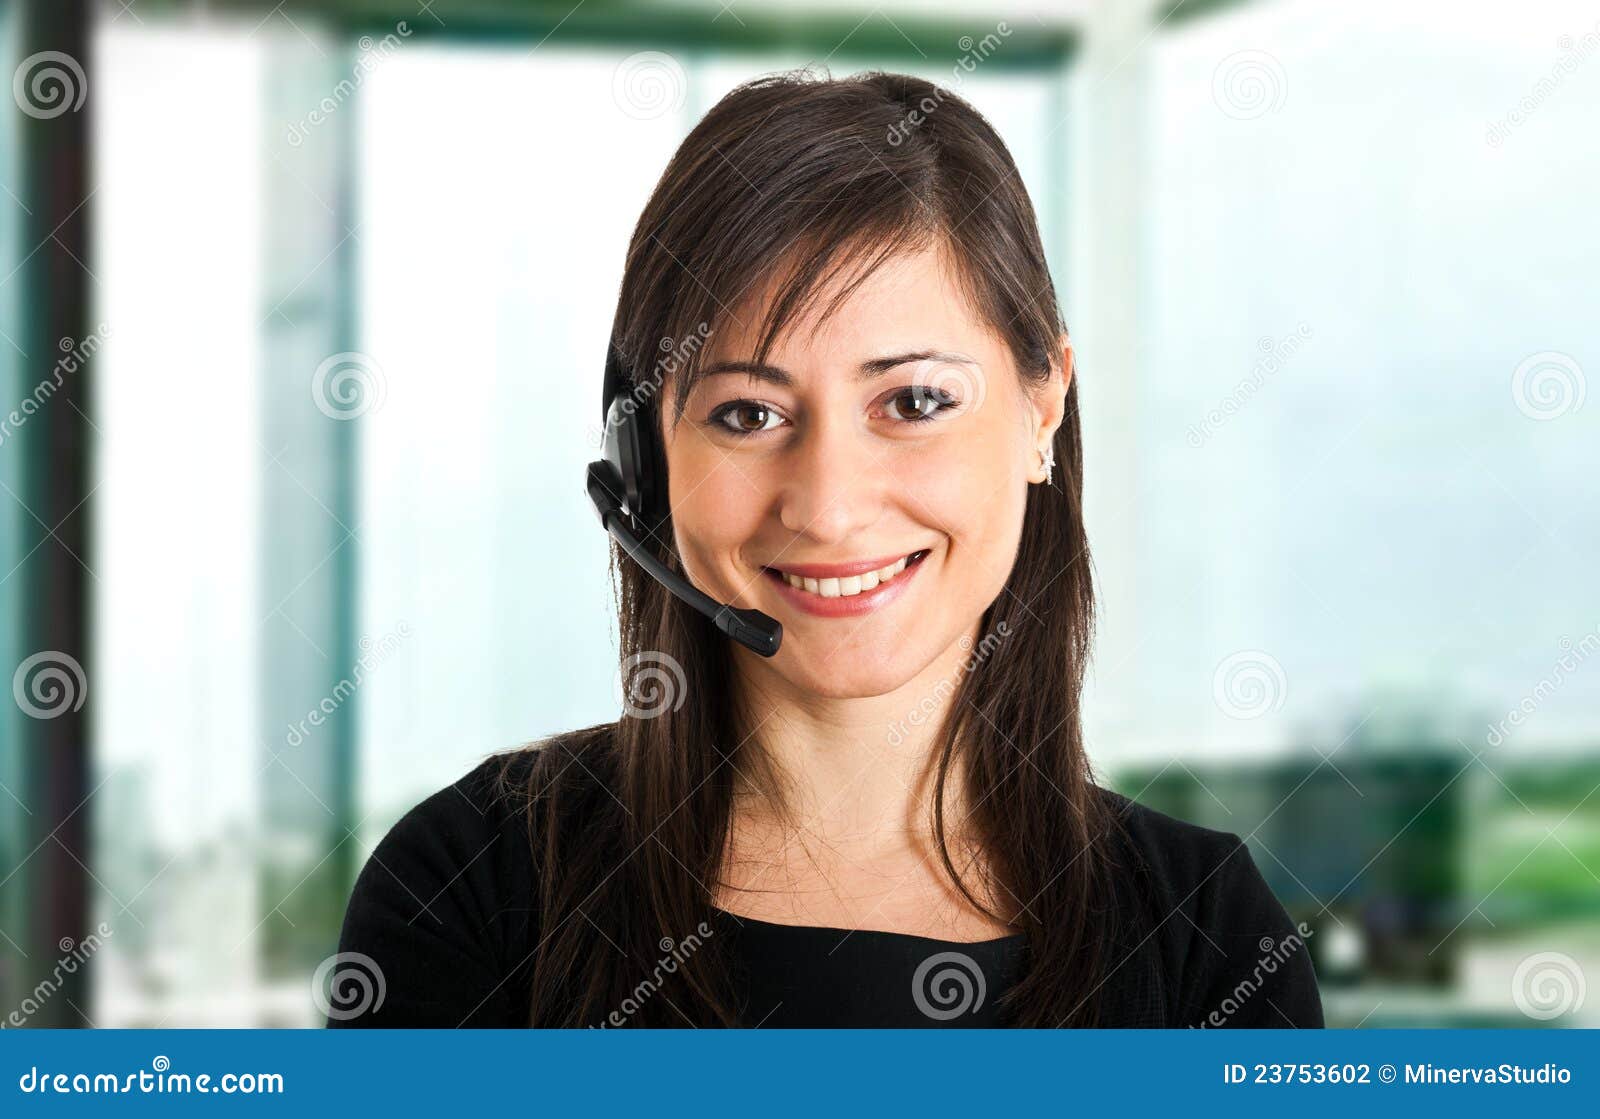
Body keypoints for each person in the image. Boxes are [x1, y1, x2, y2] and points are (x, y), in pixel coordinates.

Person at [328, 69, 1322, 1029]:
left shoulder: (1208, 937)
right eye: (747, 413)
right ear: (644, 463)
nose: (830, 508)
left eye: (914, 402)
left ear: (1042, 407)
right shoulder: (473, 885)